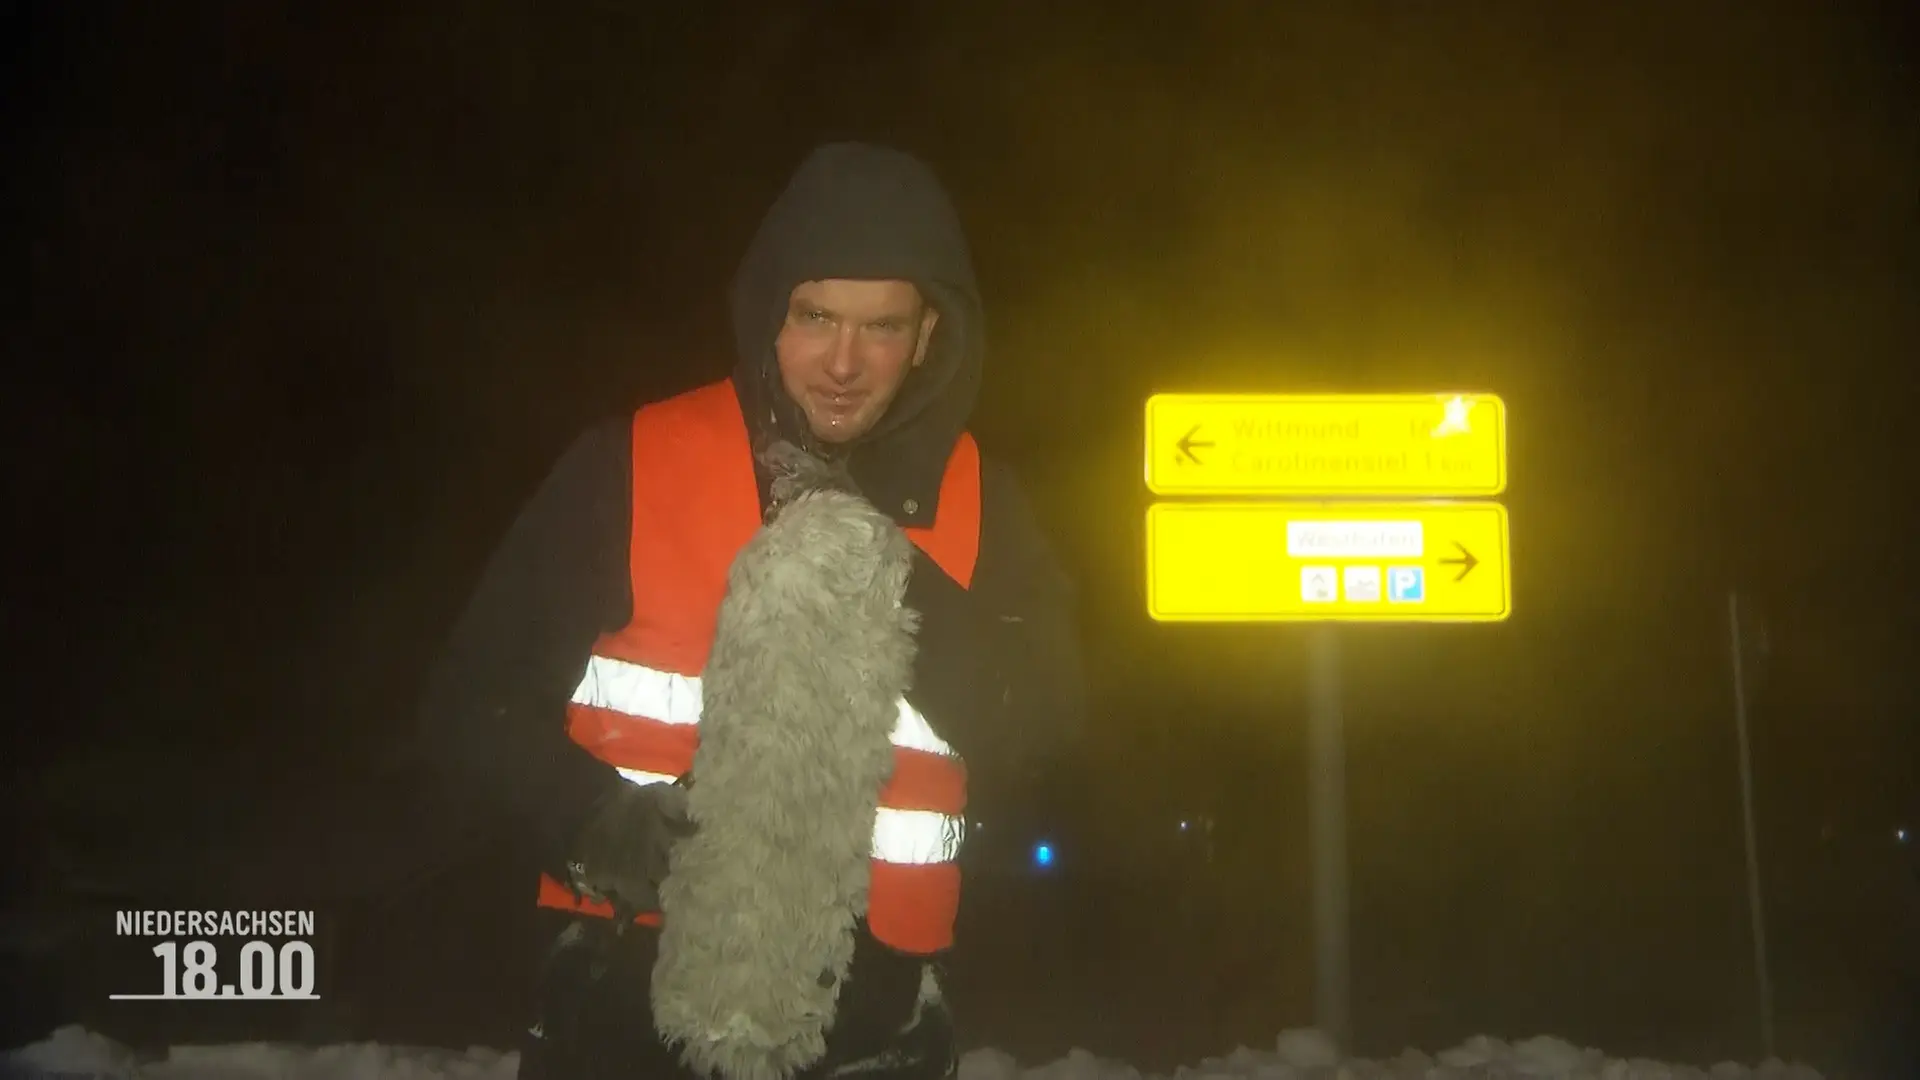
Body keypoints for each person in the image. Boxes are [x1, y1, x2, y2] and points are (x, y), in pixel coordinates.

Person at [417, 141, 1085, 1079]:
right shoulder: (635, 461)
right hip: (623, 1010)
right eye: (816, 316)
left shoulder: (986, 504)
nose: (844, 363)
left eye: (882, 327)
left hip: (878, 1031)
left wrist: (887, 574)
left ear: (931, 335)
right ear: (770, 309)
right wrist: (590, 823)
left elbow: (1046, 725)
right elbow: (468, 703)